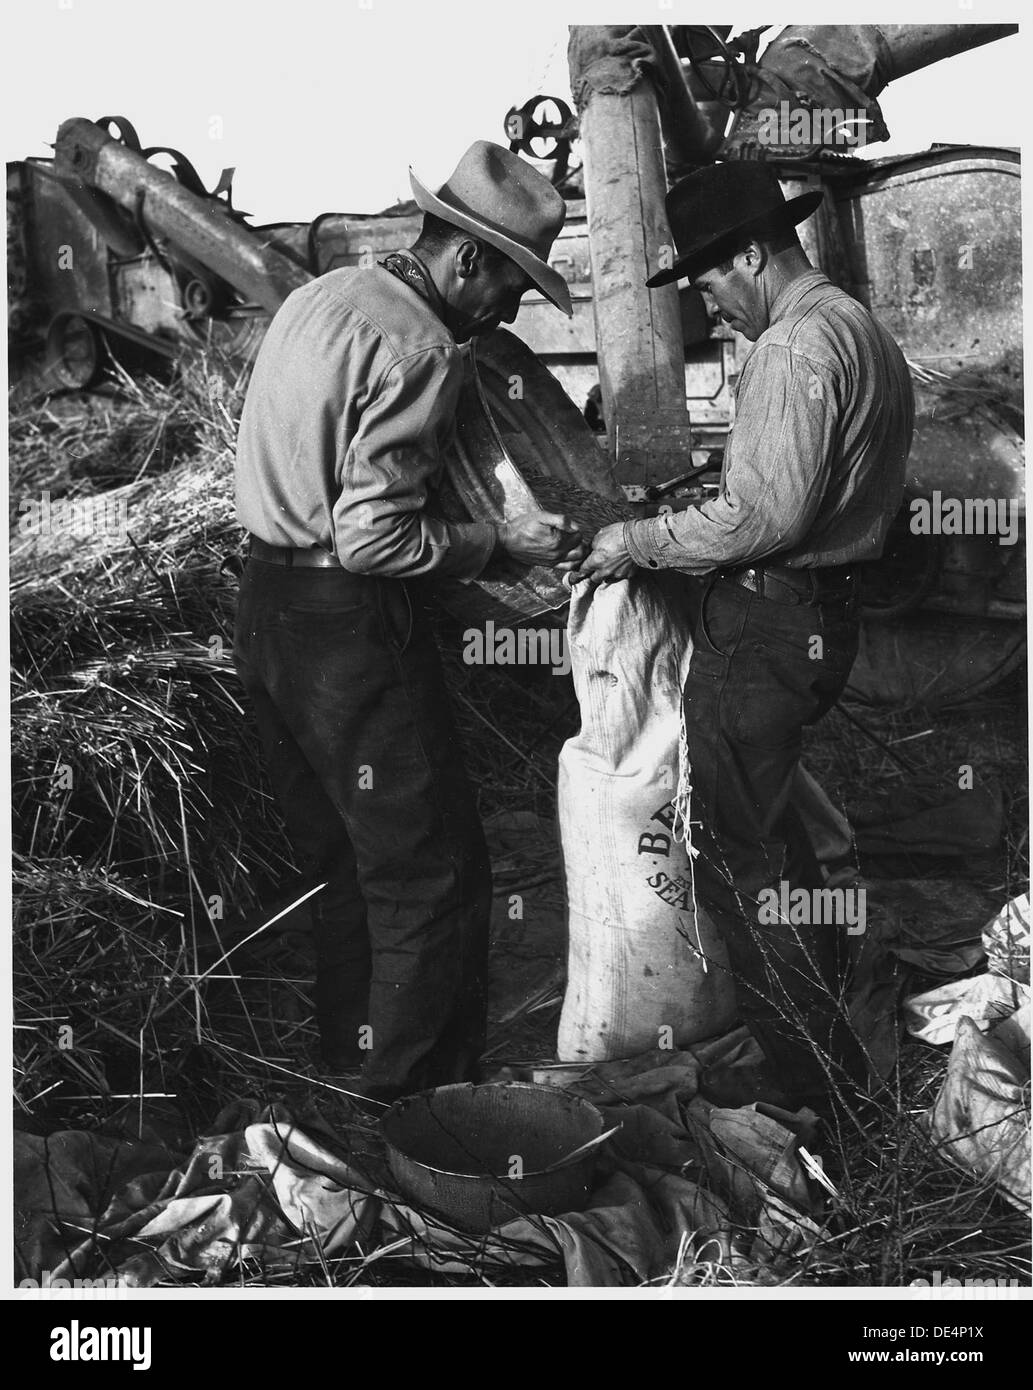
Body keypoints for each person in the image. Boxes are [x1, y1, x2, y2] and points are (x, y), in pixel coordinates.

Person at [233, 141, 587, 1104]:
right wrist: (496, 539)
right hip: (346, 627)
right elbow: (373, 540)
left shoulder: (321, 296)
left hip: (263, 611)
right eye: (511, 286)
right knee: (431, 870)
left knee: (344, 860)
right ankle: (418, 1103)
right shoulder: (423, 346)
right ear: (466, 259)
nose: (509, 311)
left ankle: (348, 1069)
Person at [576, 161, 914, 1105]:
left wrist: (637, 540)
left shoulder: (794, 348)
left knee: (733, 857)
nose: (712, 307)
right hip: (818, 617)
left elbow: (762, 520)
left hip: (769, 623)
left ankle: (815, 1086)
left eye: (711, 282)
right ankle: (841, 999)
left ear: (754, 254)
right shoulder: (854, 326)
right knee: (776, 834)